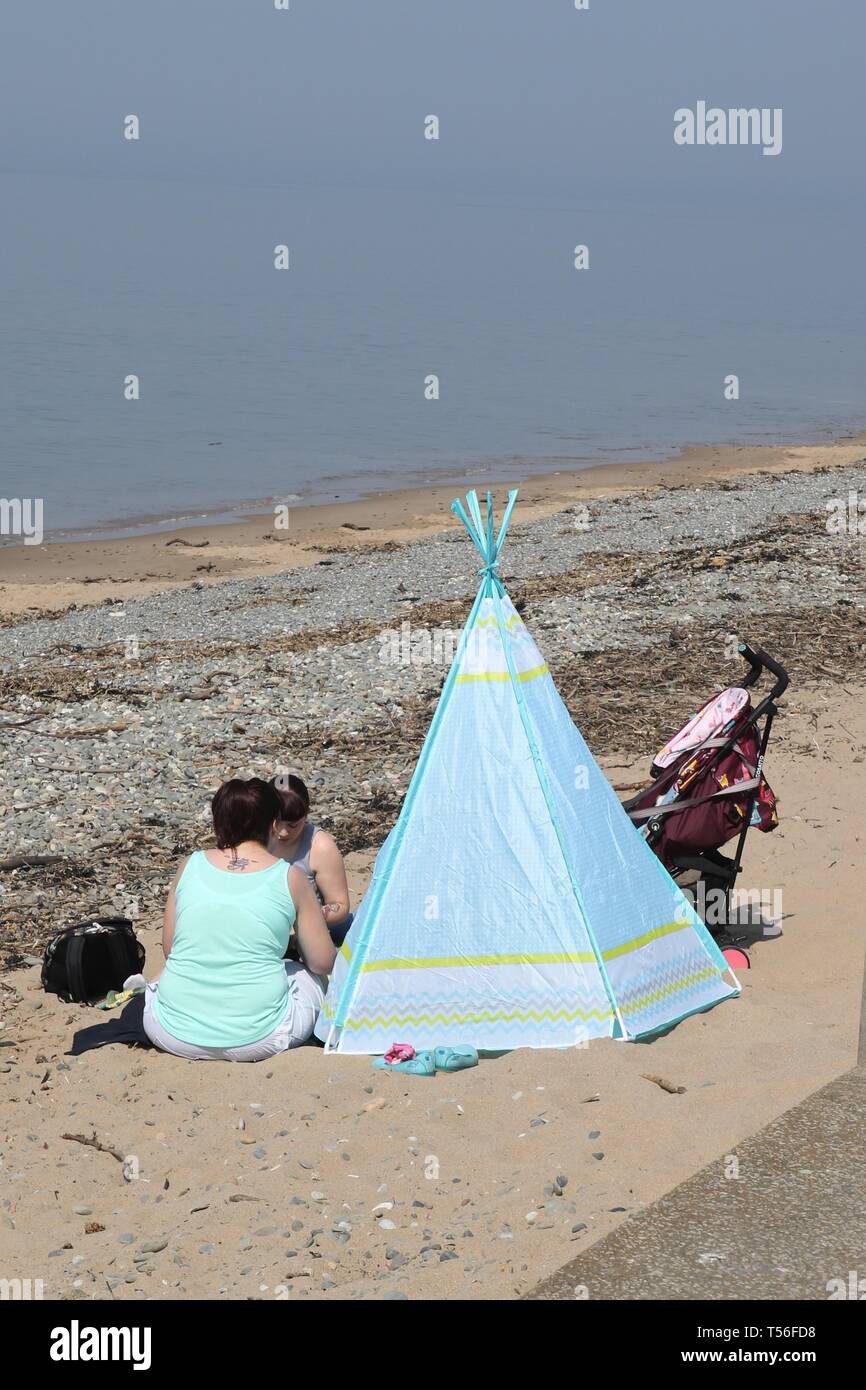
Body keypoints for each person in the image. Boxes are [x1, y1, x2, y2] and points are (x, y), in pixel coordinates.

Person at [142, 778, 336, 1061]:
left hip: (170, 1032)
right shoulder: (289, 876)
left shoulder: (190, 864)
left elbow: (171, 949)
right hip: (260, 1037)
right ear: (272, 824)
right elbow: (322, 961)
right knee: (309, 975)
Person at [269, 773, 353, 947]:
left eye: (293, 825)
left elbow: (340, 906)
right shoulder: (255, 836)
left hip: (322, 934)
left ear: (306, 815)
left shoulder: (320, 846)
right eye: (276, 822)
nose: (283, 832)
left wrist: (303, 920)